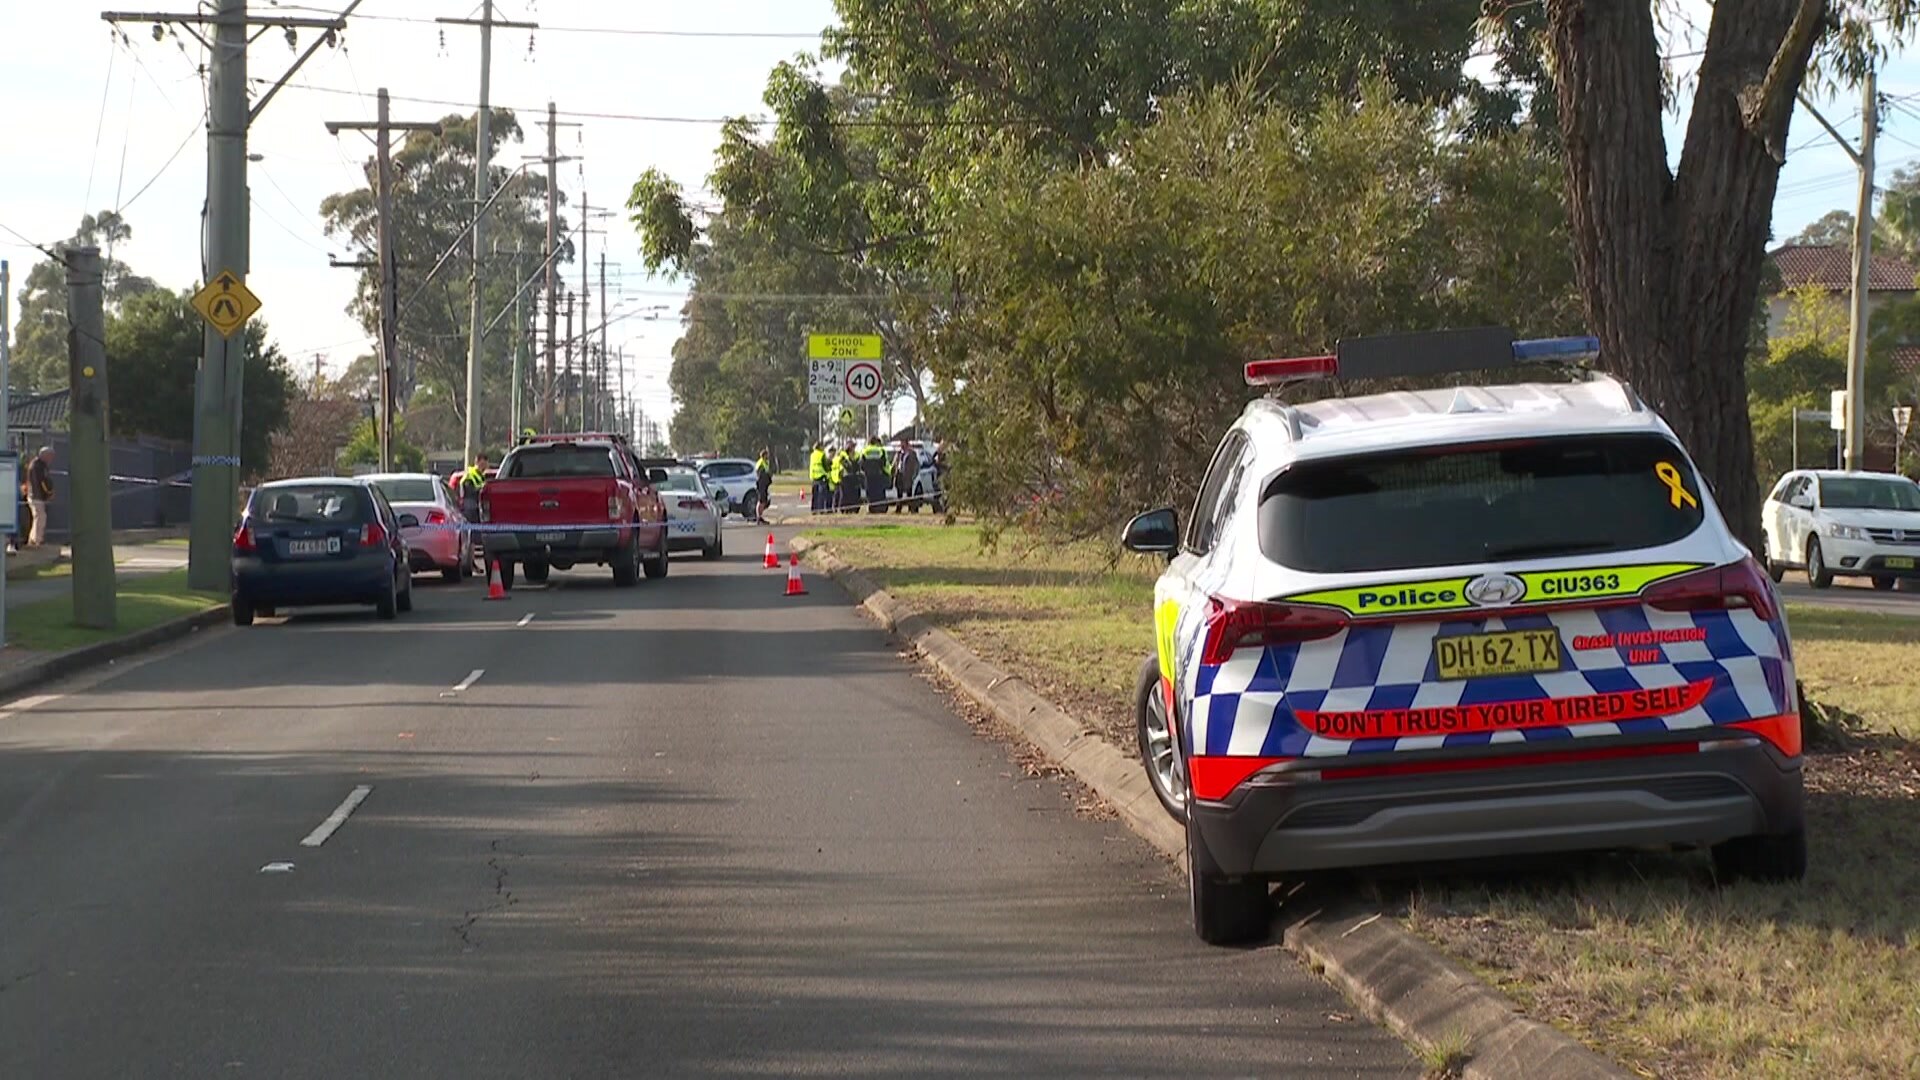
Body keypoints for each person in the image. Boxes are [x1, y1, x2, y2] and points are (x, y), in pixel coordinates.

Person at [26, 446, 55, 548]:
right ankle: (36, 540)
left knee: (38, 517)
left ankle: (33, 540)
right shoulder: (38, 466)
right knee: (40, 517)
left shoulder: (39, 465)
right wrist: (49, 493)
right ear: (45, 455)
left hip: (36, 495)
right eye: (50, 456)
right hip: (36, 496)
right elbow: (42, 482)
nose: (51, 459)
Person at [892, 439, 921, 513]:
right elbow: (894, 463)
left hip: (908, 475)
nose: (902, 445)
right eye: (901, 443)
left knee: (909, 493)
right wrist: (893, 472)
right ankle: (898, 508)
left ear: (906, 444)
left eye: (903, 443)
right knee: (899, 493)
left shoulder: (912, 453)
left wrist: (914, 475)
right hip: (899, 474)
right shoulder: (898, 453)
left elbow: (917, 465)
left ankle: (911, 508)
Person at [861, 439, 889, 513]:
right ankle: (881, 508)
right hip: (879, 475)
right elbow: (884, 463)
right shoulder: (881, 450)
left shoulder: (865, 451)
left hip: (869, 476)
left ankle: (871, 509)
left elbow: (862, 465)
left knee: (870, 493)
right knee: (879, 493)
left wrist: (866, 471)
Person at [807, 440, 828, 513]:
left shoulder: (812, 455)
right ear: (820, 447)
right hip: (821, 476)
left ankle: (814, 509)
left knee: (815, 495)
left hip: (814, 476)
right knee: (821, 495)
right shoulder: (822, 454)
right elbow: (825, 466)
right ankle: (821, 509)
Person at [753, 448, 773, 524]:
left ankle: (759, 516)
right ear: (764, 455)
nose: (768, 456)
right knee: (761, 500)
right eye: (767, 455)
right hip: (761, 484)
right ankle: (758, 517)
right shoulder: (761, 462)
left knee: (763, 501)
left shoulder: (765, 462)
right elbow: (759, 473)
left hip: (764, 484)